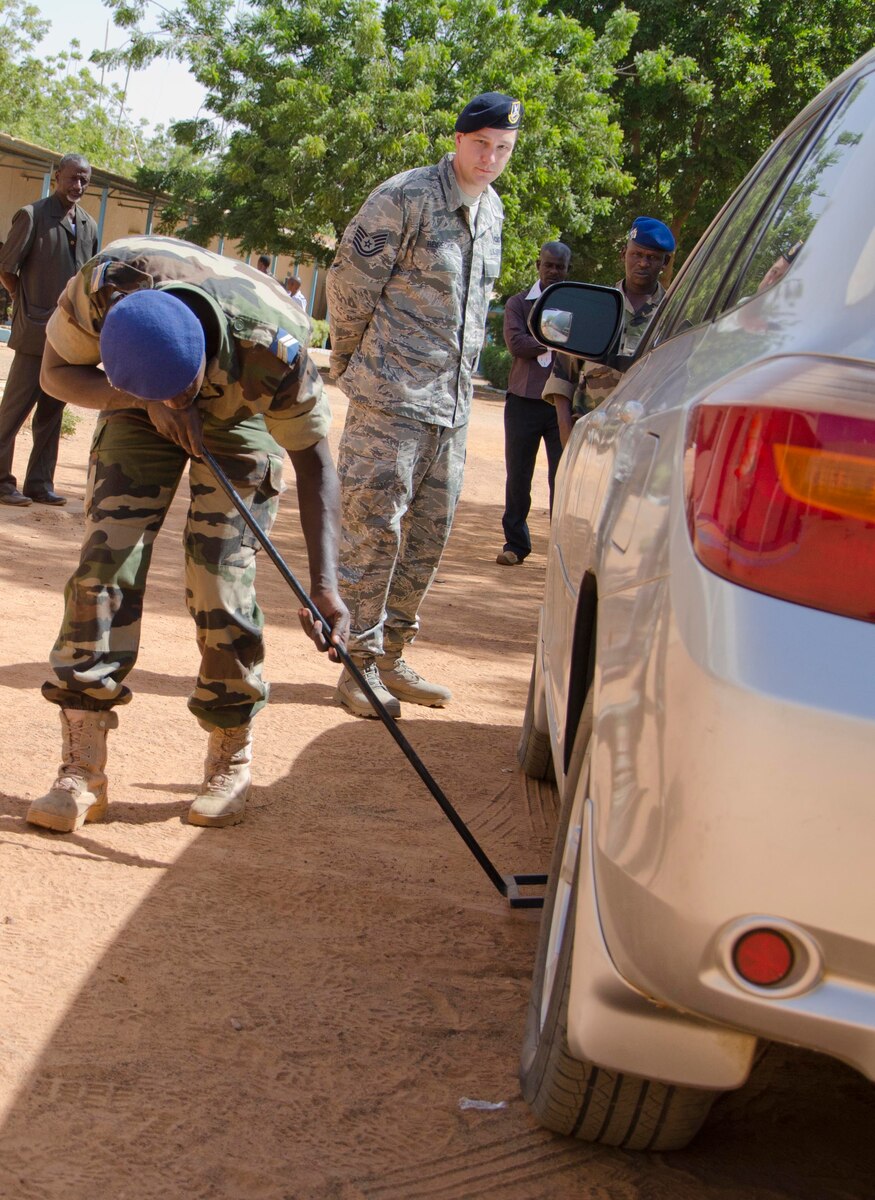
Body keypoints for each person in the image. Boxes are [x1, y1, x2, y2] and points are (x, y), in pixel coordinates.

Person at [26, 235, 350, 834]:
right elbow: (54, 374)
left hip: (240, 412)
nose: (176, 397)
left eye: (182, 385)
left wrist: (325, 585)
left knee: (220, 578)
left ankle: (230, 752)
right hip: (132, 398)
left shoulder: (271, 351)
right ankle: (82, 769)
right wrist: (140, 397)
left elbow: (316, 465)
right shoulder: (104, 288)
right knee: (105, 565)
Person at [326, 91, 522, 718]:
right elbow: (349, 286)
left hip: (452, 410)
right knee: (372, 535)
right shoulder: (404, 197)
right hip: (390, 401)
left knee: (427, 539)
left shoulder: (492, 210)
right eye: (481, 144)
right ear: (458, 139)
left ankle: (391, 656)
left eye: (503, 148)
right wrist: (350, 361)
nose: (490, 158)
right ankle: (357, 665)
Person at [0, 154, 99, 506]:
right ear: (57, 176)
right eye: (72, 178)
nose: (78, 185)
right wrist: (23, 302)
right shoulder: (32, 215)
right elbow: (7, 268)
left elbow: (89, 280)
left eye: (84, 180)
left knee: (52, 412)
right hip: (35, 333)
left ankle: (39, 484)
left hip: (69, 338)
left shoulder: (88, 225)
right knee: (13, 411)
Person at [544, 216, 675, 445]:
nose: (643, 263)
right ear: (623, 254)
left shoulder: (672, 317)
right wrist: (566, 435)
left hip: (644, 444)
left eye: (652, 257)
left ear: (665, 262)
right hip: (590, 437)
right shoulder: (594, 308)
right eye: (637, 254)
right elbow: (562, 376)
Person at [496, 241, 571, 566]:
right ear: (538, 265)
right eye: (548, 265)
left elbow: (579, 345)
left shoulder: (574, 304)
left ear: (567, 270)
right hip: (522, 401)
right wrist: (556, 339)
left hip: (560, 403)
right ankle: (515, 545)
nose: (553, 271)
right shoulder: (517, 303)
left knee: (562, 477)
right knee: (518, 476)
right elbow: (516, 344)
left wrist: (538, 339)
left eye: (560, 267)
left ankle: (561, 551)